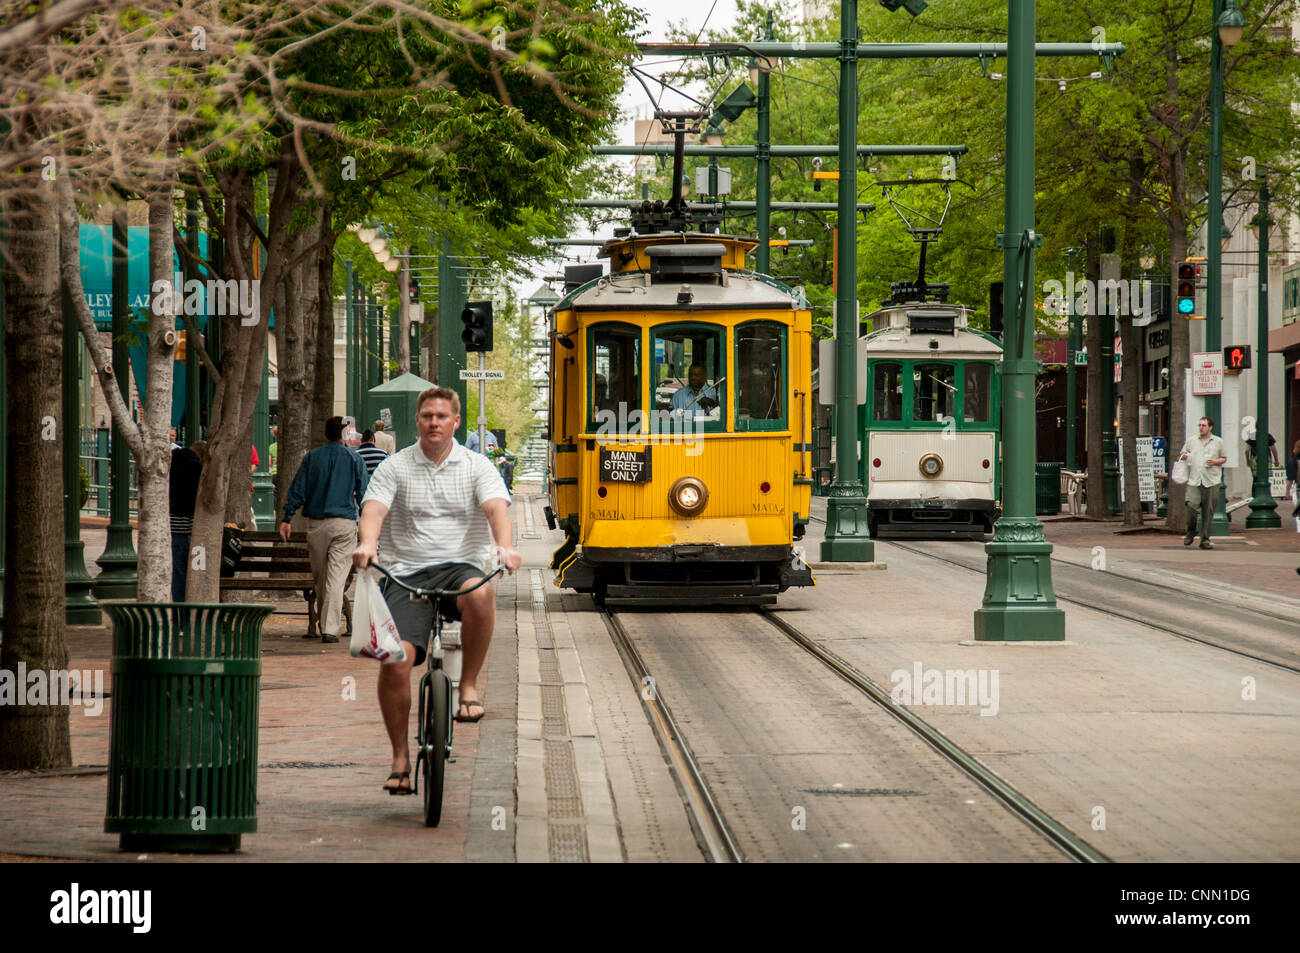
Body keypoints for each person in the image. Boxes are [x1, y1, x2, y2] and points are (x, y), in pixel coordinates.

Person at [351, 386, 521, 796]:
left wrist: (504, 547)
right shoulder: (394, 466)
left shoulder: (477, 465)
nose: (434, 422)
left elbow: (497, 507)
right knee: (394, 662)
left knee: (480, 594)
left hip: (460, 567)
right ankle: (399, 758)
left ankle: (468, 686)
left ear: (456, 422)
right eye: (427, 416)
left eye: (442, 416)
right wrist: (368, 543)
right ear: (418, 421)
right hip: (407, 573)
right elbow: (374, 508)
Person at [281, 416, 370, 643]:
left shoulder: (312, 458)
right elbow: (364, 493)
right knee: (334, 578)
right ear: (343, 434)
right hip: (344, 522)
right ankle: (328, 626)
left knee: (323, 577)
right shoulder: (353, 458)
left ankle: (328, 626)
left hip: (317, 523)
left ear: (325, 434)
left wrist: (288, 517)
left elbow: (298, 488)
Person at [1178, 415, 1228, 550]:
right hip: (1195, 479)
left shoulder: (1218, 442)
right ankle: (1190, 531)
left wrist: (1215, 462)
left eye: (1203, 425)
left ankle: (1205, 539)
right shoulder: (1192, 441)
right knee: (1191, 507)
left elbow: (1224, 458)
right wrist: (1184, 456)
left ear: (1210, 427)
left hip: (1211, 480)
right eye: (1199, 425)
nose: (1201, 428)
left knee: (1208, 510)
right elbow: (1182, 455)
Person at [169, 441, 204, 601]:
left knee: (179, 572)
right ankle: (194, 607)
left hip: (175, 525)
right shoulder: (198, 468)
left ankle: (179, 609)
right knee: (198, 570)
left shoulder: (172, 464)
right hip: (193, 527)